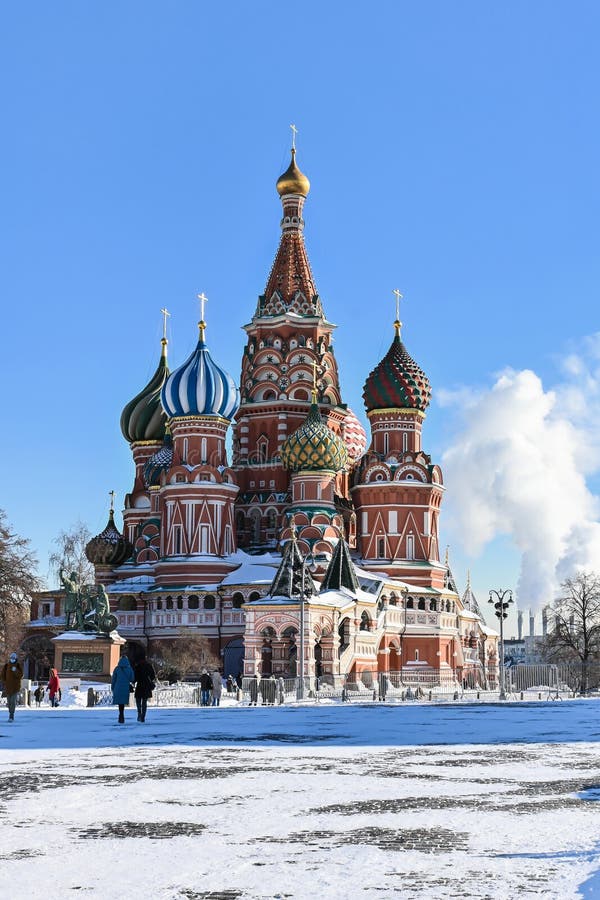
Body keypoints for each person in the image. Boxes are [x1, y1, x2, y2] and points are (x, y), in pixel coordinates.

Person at [111, 654, 134, 724]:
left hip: (118, 687)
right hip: (125, 687)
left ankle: (121, 715)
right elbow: (132, 679)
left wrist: (113, 688)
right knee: (123, 702)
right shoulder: (129, 669)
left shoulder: (117, 669)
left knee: (120, 703)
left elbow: (113, 679)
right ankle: (122, 715)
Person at [133, 653, 156, 723]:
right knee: (144, 702)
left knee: (138, 700)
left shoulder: (138, 666)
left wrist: (134, 682)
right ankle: (143, 716)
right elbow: (153, 676)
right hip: (146, 686)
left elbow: (135, 677)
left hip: (140, 686)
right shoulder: (149, 666)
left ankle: (139, 713)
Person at [1, 653, 23, 722]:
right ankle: (10, 712)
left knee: (13, 702)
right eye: (11, 657)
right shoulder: (6, 666)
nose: (12, 659)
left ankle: (11, 715)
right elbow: (2, 675)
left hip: (15, 687)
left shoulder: (18, 666)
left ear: (16, 659)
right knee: (9, 702)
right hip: (8, 687)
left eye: (13, 658)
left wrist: (16, 671)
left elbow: (21, 675)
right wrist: (4, 682)